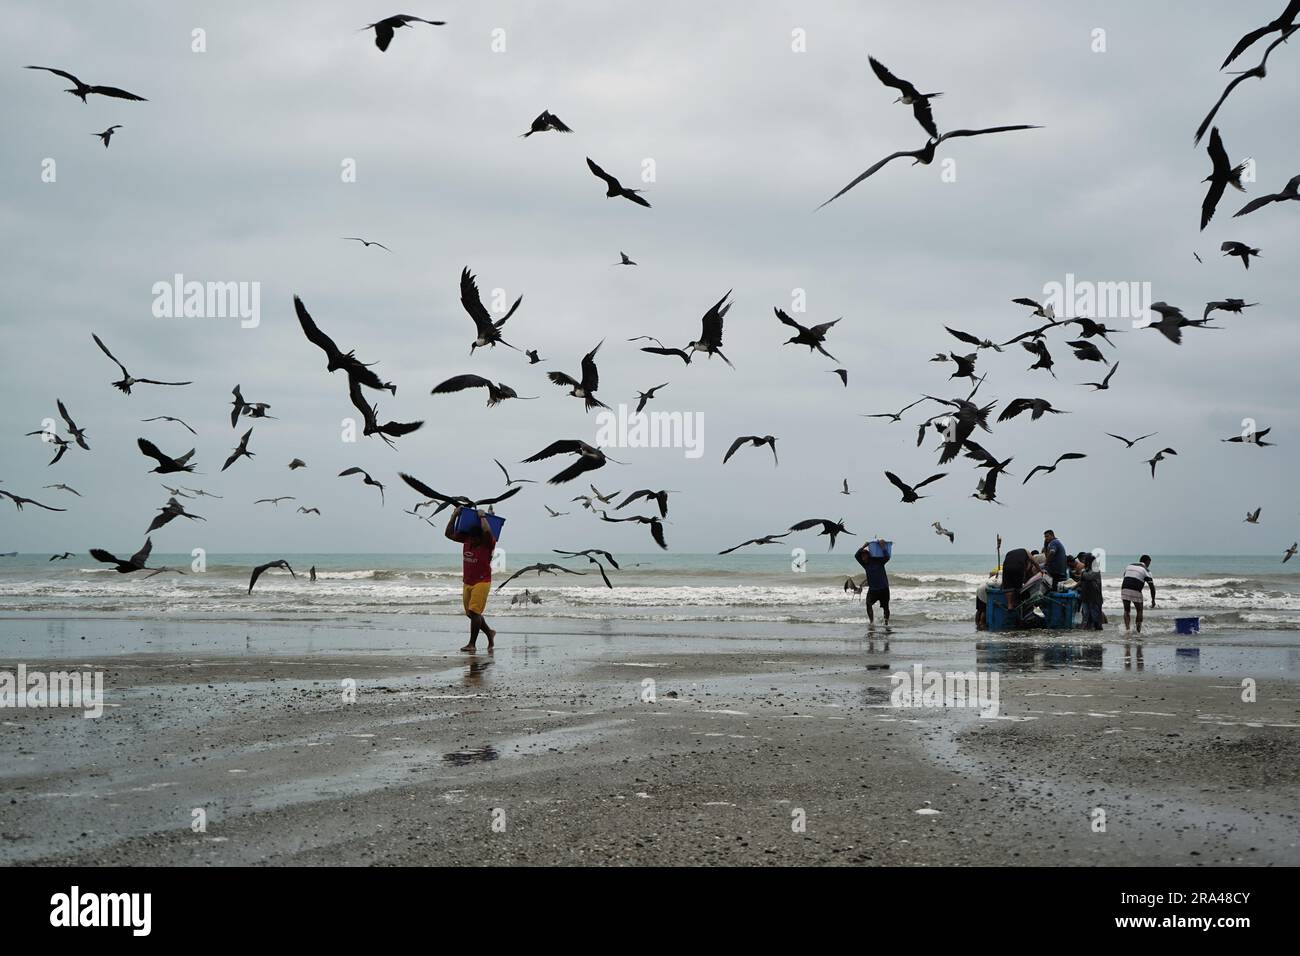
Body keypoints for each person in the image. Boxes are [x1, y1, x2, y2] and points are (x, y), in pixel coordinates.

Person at [445, 505, 498, 651]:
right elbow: (448, 534)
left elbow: (487, 530)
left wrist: (482, 516)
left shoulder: (488, 542)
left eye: (475, 539)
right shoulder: (467, 539)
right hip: (467, 581)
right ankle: (489, 632)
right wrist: (454, 515)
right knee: (470, 614)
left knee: (475, 612)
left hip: (482, 581)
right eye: (471, 538)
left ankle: (472, 645)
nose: (472, 541)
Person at [854, 538, 891, 625]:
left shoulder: (878, 561)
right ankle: (871, 623)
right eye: (862, 556)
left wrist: (882, 547)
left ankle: (886, 623)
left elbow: (887, 557)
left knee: (886, 607)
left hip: (884, 588)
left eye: (864, 555)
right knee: (868, 604)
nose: (863, 557)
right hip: (873, 590)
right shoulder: (865, 564)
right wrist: (864, 546)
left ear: (869, 555)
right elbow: (856, 555)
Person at [1120, 554, 1156, 634]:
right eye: (1149, 563)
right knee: (1139, 611)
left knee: (1126, 610)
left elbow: (1125, 576)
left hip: (1124, 589)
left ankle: (1127, 630)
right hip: (1136, 590)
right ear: (1147, 562)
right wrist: (1153, 600)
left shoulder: (1129, 566)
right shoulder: (1147, 570)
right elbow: (1152, 587)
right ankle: (1138, 631)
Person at [1074, 552, 1103, 630]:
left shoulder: (1095, 570)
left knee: (1095, 616)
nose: (1083, 562)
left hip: (1094, 597)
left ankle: (1096, 632)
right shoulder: (1086, 570)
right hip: (1086, 596)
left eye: (1085, 560)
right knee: (1086, 615)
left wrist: (1082, 573)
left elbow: (1088, 577)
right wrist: (1073, 587)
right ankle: (1089, 633)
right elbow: (1081, 581)